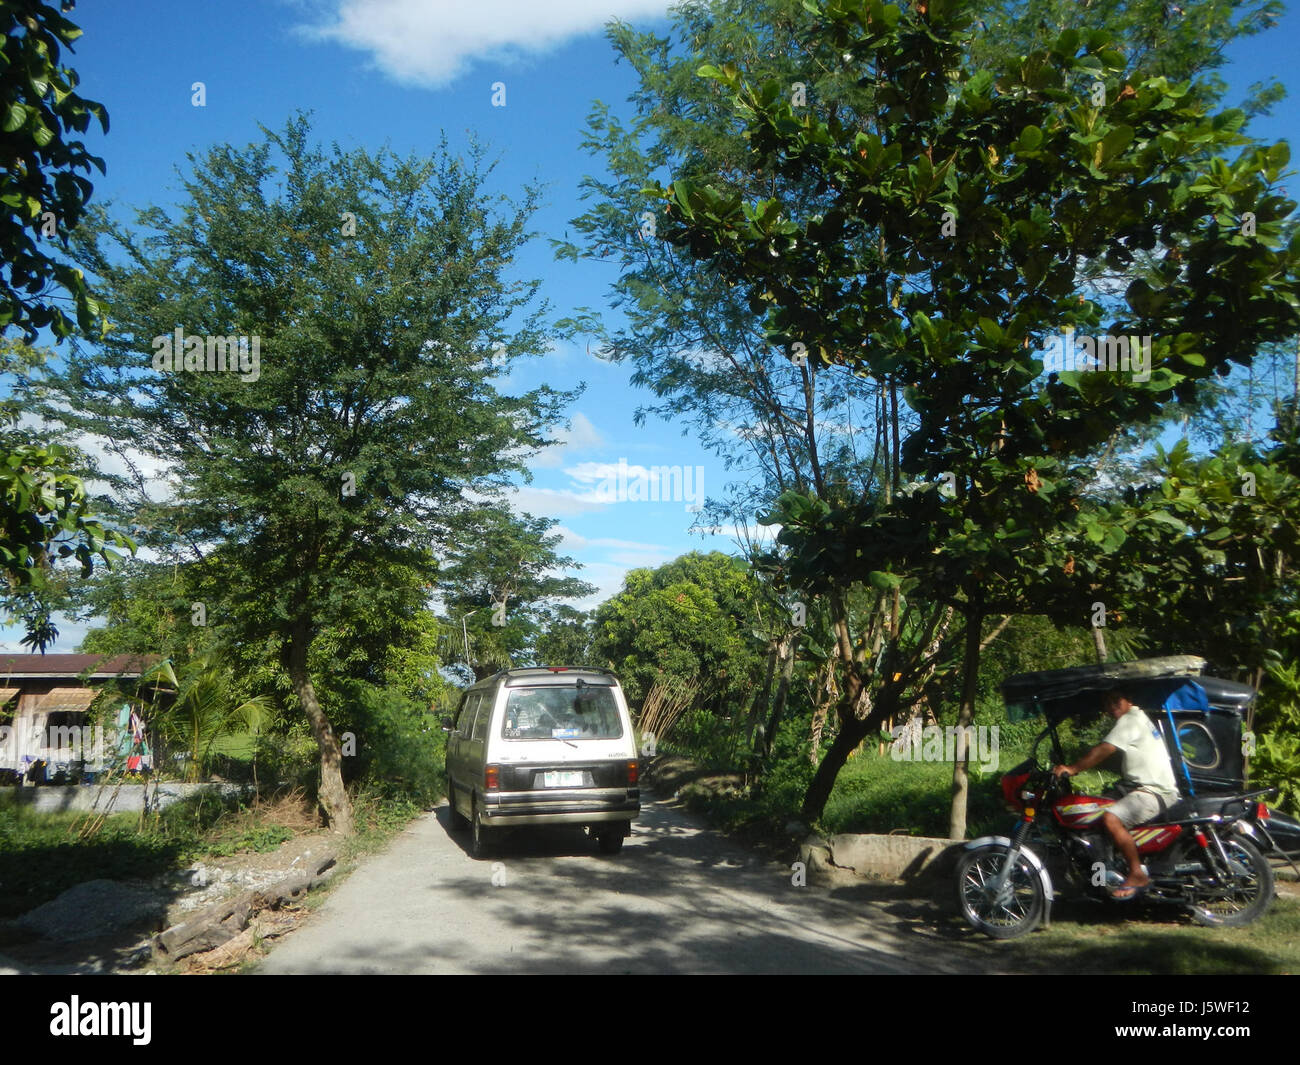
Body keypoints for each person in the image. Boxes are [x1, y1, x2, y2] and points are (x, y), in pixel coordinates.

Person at [1053, 689, 1180, 899]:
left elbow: (1105, 749)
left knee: (1111, 819)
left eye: (1115, 700)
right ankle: (1100, 875)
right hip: (1143, 787)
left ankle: (1137, 873)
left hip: (1154, 791)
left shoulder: (1130, 720)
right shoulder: (1137, 718)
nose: (1111, 706)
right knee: (1099, 804)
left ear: (1128, 699)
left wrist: (1073, 769)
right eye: (1107, 702)